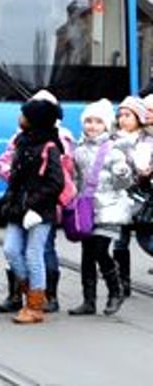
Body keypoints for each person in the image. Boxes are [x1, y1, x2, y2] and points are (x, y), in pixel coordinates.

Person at [0, 89, 74, 313]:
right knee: (11, 249)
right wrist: (11, 198)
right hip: (17, 207)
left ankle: (35, 304)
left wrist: (35, 206)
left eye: (24, 115)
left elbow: (55, 183)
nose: (20, 118)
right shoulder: (21, 141)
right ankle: (30, 290)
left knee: (33, 253)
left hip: (40, 210)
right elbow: (15, 176)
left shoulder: (50, 147)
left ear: (35, 120)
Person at [68, 99, 133, 316]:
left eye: (97, 122)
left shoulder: (113, 150)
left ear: (106, 125)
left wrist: (123, 174)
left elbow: (124, 183)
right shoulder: (79, 149)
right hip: (87, 209)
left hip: (110, 209)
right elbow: (76, 179)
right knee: (87, 253)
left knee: (100, 250)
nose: (92, 126)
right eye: (88, 121)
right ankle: (89, 300)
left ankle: (116, 291)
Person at [110, 95, 152, 297]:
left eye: (128, 115)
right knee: (120, 240)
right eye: (120, 115)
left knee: (146, 240)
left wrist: (145, 172)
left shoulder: (148, 140)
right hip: (120, 198)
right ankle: (122, 282)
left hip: (143, 198)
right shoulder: (113, 140)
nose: (123, 119)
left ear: (138, 117)